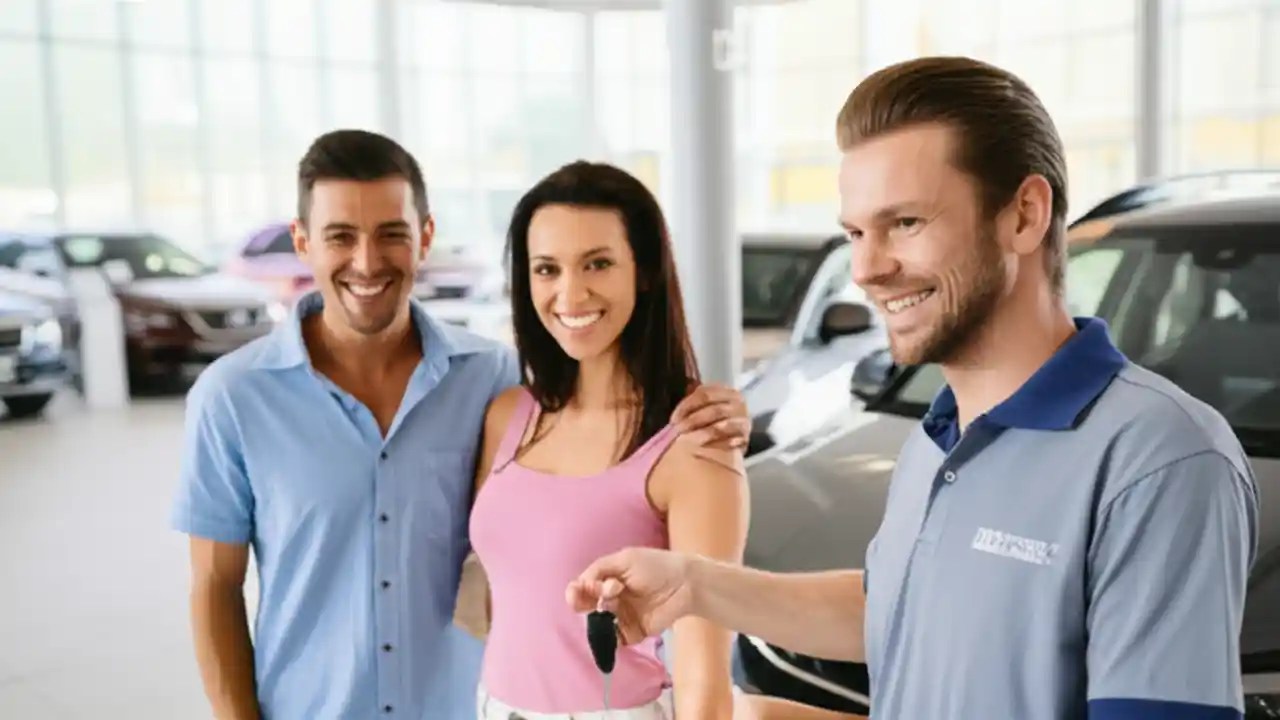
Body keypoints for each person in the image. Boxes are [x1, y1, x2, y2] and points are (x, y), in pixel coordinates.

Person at [567, 56, 1260, 720]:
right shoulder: (939, 439)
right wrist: (695, 586)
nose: (866, 268)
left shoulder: (1162, 461)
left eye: (905, 223)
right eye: (855, 232)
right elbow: (901, 610)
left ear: (1023, 215)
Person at [170, 130, 752, 720]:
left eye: (391, 233)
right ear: (302, 241)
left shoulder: (489, 380)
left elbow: (702, 655)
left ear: (425, 237)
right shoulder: (234, 397)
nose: (367, 261)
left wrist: (721, 416)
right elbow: (215, 587)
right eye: (340, 236)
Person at [461, 160, 752, 720]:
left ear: (642, 271)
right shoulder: (508, 414)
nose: (571, 293)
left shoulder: (694, 440)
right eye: (547, 269)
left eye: (597, 264)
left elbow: (705, 682)